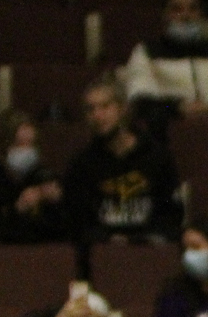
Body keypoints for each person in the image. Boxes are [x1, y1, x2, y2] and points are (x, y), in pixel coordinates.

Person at [62, 77, 183, 247]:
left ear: (123, 109)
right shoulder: (81, 164)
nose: (97, 115)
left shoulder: (156, 156)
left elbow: (171, 215)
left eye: (105, 107)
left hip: (149, 249)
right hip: (102, 251)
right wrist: (106, 239)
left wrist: (140, 240)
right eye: (90, 109)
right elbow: (77, 222)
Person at [122, 0, 208, 134]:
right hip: (165, 131)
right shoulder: (146, 52)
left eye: (193, 8)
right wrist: (178, 108)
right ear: (165, 14)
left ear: (201, 13)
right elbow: (140, 98)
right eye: (177, 9)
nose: (185, 15)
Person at [0, 110, 68, 245]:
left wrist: (57, 201)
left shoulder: (44, 175)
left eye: (30, 145)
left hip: (40, 246)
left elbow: (61, 228)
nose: (25, 152)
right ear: (4, 145)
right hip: (3, 247)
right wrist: (18, 208)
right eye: (19, 145)